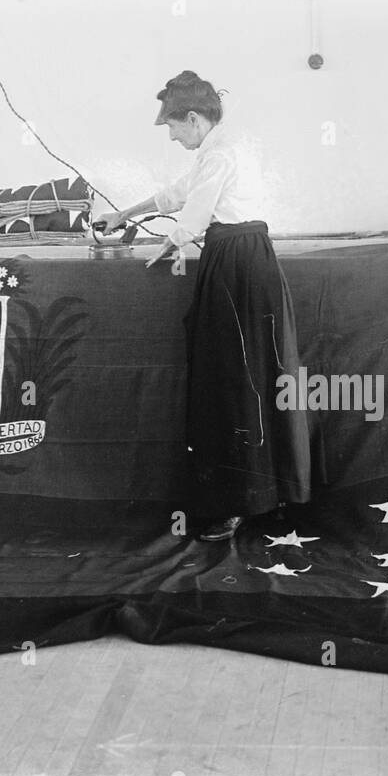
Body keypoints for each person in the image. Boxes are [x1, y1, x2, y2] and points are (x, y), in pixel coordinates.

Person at [98, 71, 311, 541]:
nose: (172, 136)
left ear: (193, 119)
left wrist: (170, 242)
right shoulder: (214, 151)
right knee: (238, 376)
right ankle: (259, 496)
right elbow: (174, 195)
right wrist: (124, 214)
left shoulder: (222, 153)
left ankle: (243, 501)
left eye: (173, 127)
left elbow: (193, 215)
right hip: (237, 259)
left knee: (237, 379)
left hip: (238, 263)